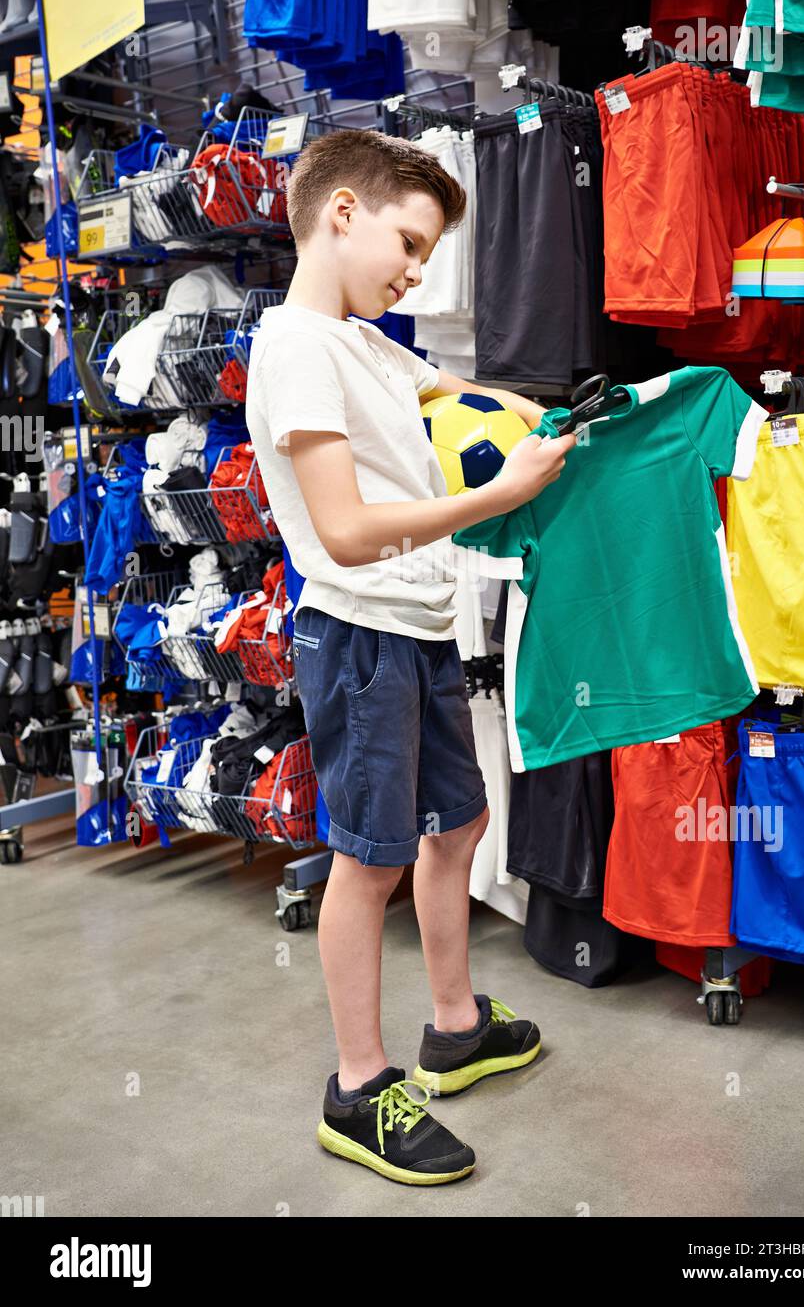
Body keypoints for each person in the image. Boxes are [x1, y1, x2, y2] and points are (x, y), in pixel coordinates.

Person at [246, 128, 577, 1186]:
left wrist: (521, 407)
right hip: (358, 634)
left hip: (418, 628)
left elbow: (434, 387)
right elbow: (342, 531)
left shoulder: (361, 338)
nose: (416, 269)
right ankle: (356, 1084)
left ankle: (453, 1025)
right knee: (371, 857)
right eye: (409, 241)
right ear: (341, 212)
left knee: (461, 821)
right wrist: (501, 494)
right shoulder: (296, 344)